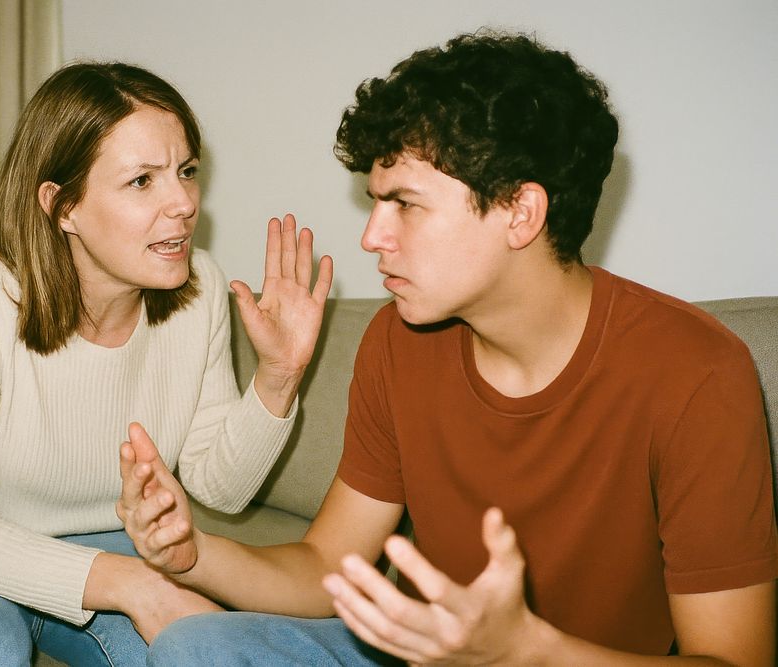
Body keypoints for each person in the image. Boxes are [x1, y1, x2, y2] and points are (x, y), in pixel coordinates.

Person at [117, 31, 777, 665]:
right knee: (193, 645)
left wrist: (528, 653)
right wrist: (193, 552)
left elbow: (735, 659)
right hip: (411, 654)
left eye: (405, 203)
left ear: (521, 212)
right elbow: (327, 566)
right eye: (376, 202)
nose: (373, 236)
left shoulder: (697, 373)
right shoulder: (398, 341)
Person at [0, 61, 333, 666]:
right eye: (143, 181)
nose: (183, 202)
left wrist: (278, 376)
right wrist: (133, 584)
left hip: (105, 543)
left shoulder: (201, 288)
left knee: (202, 648)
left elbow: (220, 489)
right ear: (63, 207)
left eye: (186, 172)